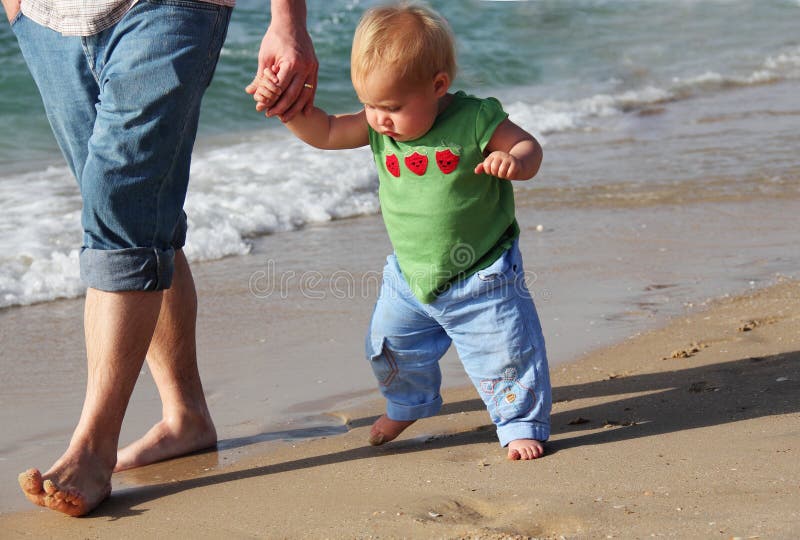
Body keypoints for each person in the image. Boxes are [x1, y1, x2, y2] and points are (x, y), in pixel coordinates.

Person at [2, 0, 318, 517]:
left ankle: (93, 448)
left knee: (119, 202)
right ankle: (185, 417)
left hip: (171, 8)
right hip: (47, 18)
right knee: (142, 213)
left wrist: (288, 21)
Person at [253, 2, 552, 461]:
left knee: (506, 351)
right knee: (391, 346)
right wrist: (286, 110)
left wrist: (514, 160)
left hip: (482, 273)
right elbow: (326, 131)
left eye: (391, 107)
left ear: (437, 86)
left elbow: (528, 146)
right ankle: (408, 404)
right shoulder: (379, 127)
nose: (379, 118)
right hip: (411, 276)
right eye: (369, 104)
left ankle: (518, 424)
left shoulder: (474, 118)